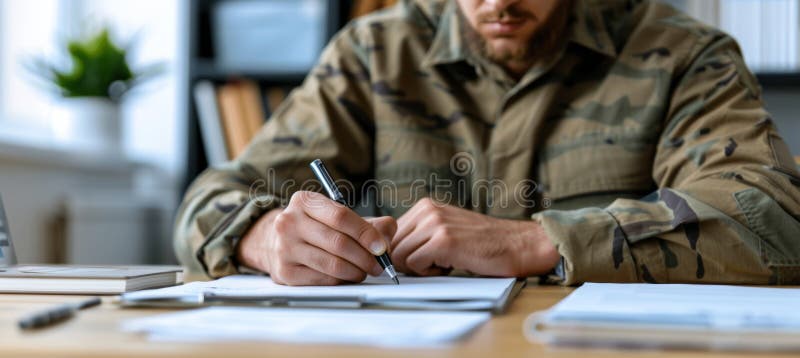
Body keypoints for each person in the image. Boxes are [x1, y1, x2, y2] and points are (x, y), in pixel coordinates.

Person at [174, 0, 800, 286]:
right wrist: (261, 236)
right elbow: (212, 196)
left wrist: (536, 241)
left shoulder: (683, 53)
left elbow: (771, 218)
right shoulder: (375, 53)